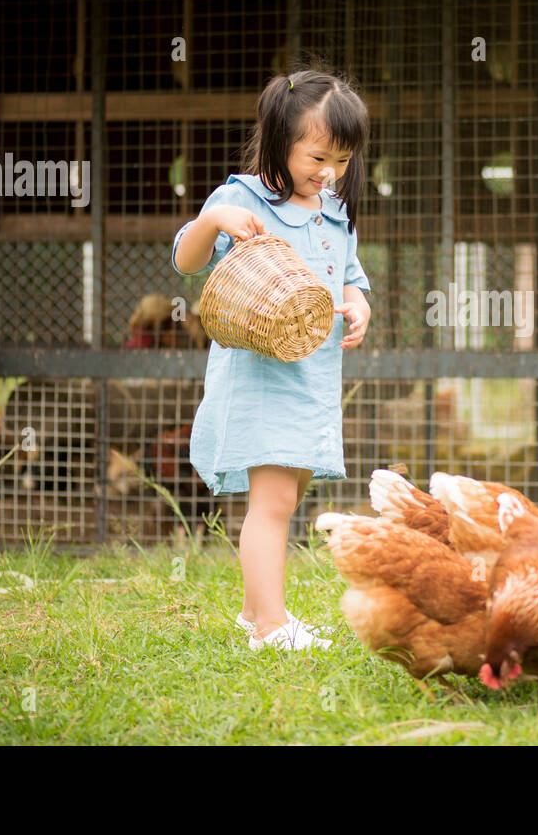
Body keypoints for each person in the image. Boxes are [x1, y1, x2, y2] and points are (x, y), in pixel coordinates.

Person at [171, 68, 372, 650]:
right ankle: (270, 625)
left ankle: (254, 612)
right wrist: (212, 221)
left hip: (312, 374)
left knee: (292, 487)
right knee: (274, 502)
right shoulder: (242, 197)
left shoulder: (332, 210)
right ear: (281, 136)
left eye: (341, 160)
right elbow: (186, 261)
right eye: (318, 157)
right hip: (260, 376)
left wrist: (359, 305)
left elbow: (352, 277)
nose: (329, 172)